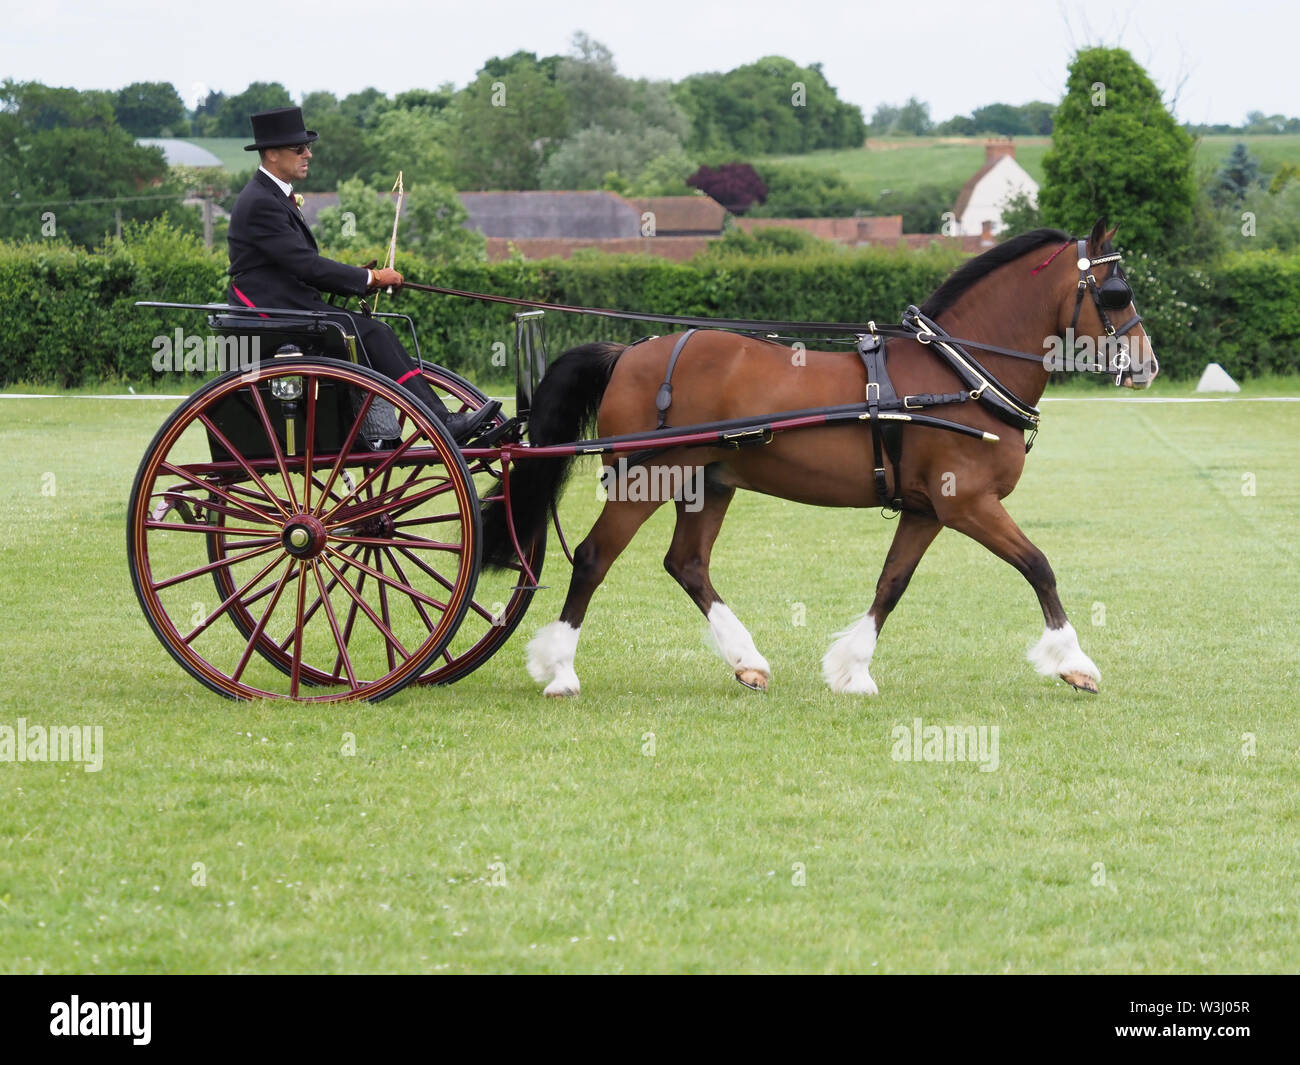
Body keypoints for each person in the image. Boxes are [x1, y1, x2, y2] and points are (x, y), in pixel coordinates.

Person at [225, 106, 498, 443]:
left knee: (376, 331)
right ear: (272, 154)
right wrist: (371, 280)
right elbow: (305, 265)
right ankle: (441, 423)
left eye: (307, 147)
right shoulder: (261, 202)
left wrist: (358, 277)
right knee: (373, 333)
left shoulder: (271, 197)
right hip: (272, 311)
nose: (308, 154)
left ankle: (431, 421)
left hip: (288, 304)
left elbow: (298, 263)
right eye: (299, 149)